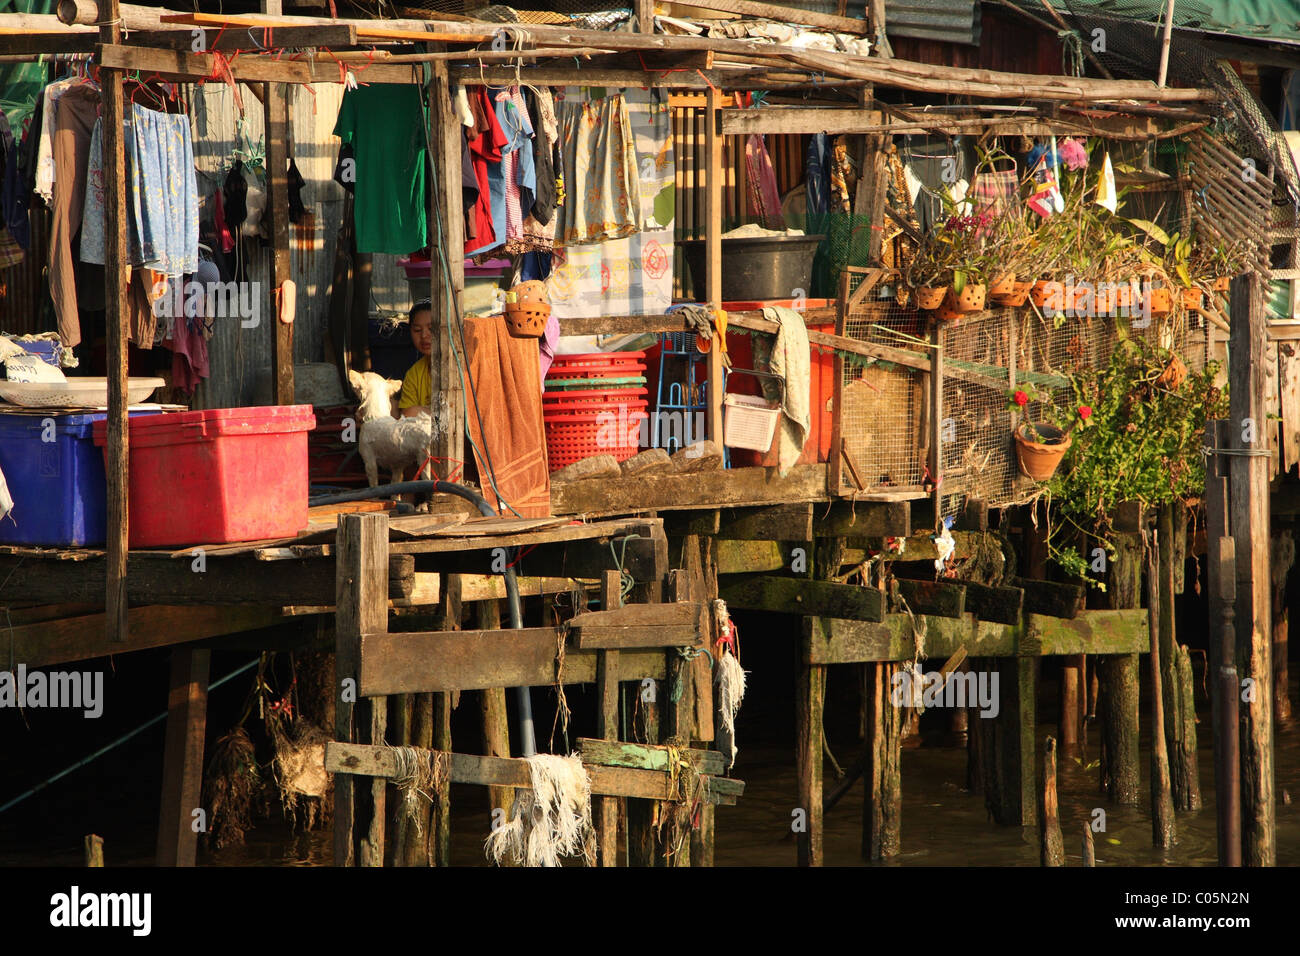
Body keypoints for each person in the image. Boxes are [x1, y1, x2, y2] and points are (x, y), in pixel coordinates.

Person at [398, 299, 433, 418]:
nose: (424, 336)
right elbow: (406, 415)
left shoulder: (462, 368)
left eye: (431, 328)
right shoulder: (413, 374)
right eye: (417, 330)